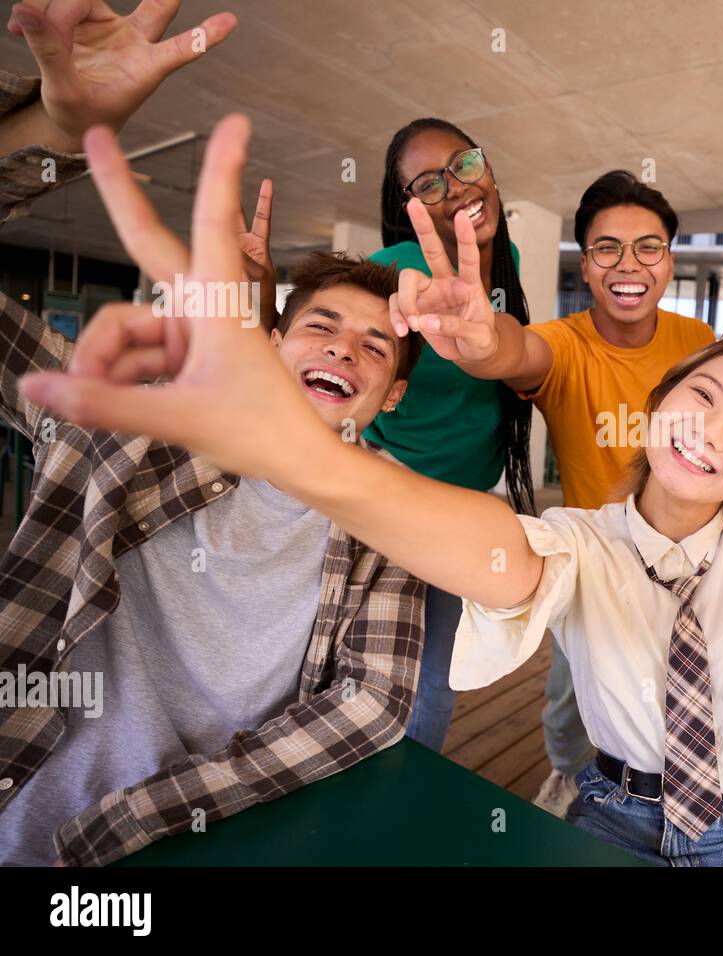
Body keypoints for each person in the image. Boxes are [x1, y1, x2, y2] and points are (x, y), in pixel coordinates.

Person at [20, 127, 723, 865]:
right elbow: (511, 522)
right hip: (605, 785)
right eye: (700, 403)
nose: (711, 432)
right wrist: (47, 129)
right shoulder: (138, 436)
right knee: (562, 716)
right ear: (655, 410)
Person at [0, 1, 424, 866]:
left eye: (376, 344)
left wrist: (136, 819)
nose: (346, 345)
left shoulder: (394, 524)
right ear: (271, 347)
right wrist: (52, 131)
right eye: (323, 326)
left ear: (388, 399)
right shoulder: (131, 424)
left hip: (196, 846)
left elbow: (371, 705)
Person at [399, 169, 714, 813]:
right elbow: (513, 353)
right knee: (575, 706)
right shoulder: (565, 345)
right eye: (607, 248)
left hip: (700, 564)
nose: (629, 264)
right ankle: (571, 787)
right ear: (587, 265)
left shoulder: (700, 343)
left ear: (670, 259)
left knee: (694, 699)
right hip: (598, 572)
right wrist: (482, 344)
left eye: (648, 246)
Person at [366, 117, 536, 754]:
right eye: (428, 184)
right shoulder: (392, 270)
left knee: (434, 682)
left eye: (464, 164)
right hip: (390, 499)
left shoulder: (509, 259)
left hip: (467, 504)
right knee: (370, 672)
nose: (458, 188)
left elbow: (502, 359)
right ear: (408, 206)